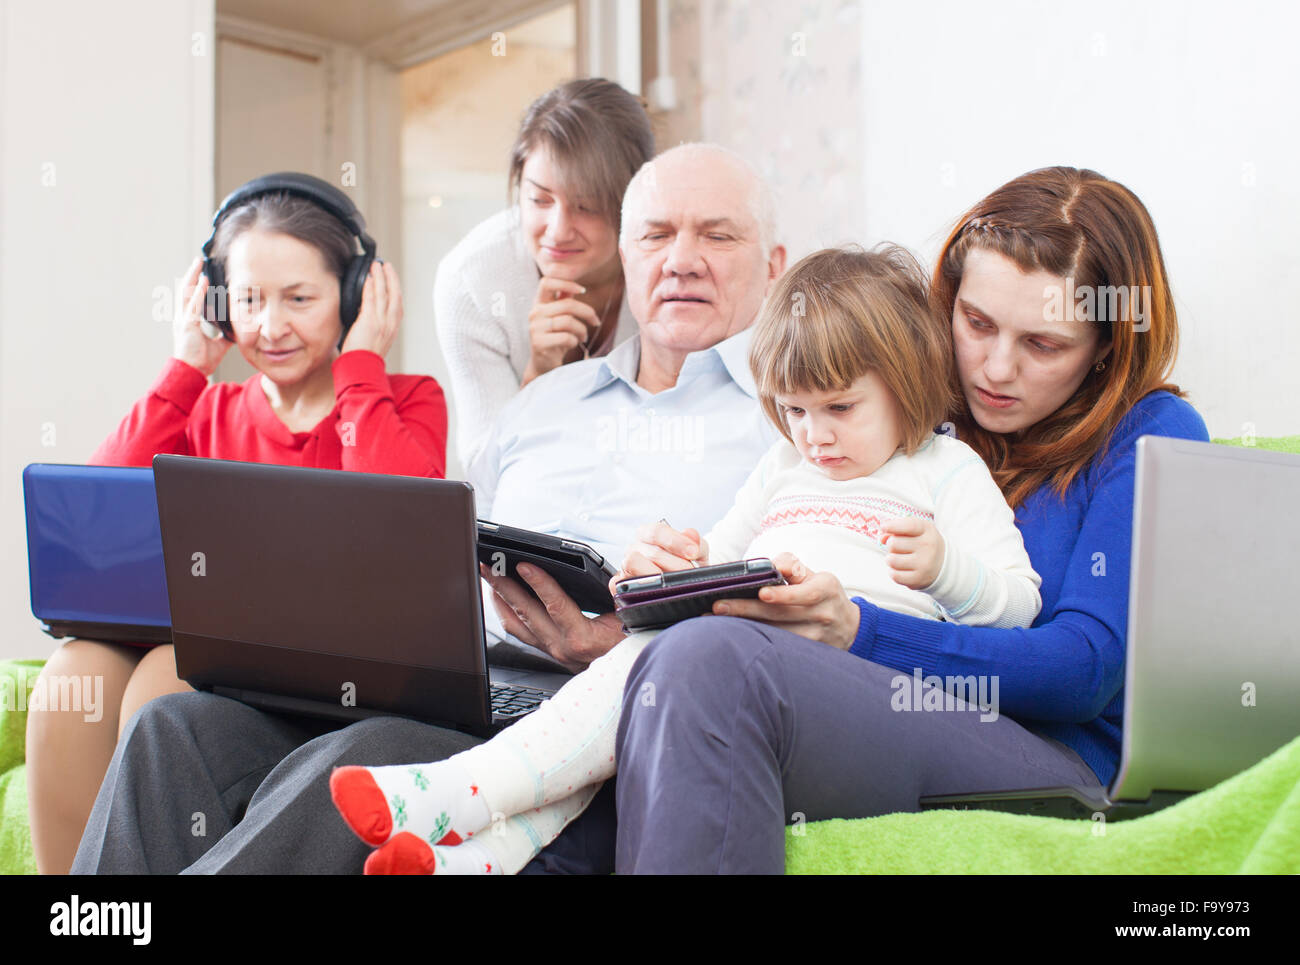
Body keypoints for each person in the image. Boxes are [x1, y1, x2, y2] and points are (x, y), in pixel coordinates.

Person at [70, 143, 788, 874]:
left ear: (775, 264)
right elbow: (435, 540)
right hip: (446, 679)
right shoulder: (542, 402)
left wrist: (615, 648)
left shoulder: (796, 422)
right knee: (172, 728)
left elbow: (812, 607)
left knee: (365, 759)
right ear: (629, 261)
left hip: (574, 715)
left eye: (718, 235)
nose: (682, 259)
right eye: (658, 236)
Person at [329, 243, 1050, 875]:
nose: (814, 435)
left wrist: (947, 571)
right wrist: (675, 565)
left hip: (846, 688)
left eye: (838, 408)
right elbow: (722, 555)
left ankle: (460, 788)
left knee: (660, 670)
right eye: (794, 410)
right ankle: (482, 854)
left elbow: (1020, 604)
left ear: (908, 382)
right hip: (738, 660)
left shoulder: (944, 469)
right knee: (636, 683)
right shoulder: (785, 466)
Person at [612, 166, 1212, 873]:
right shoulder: (902, 409)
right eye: (977, 322)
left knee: (709, 663)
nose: (994, 368)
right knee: (660, 688)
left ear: (1107, 344)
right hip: (885, 712)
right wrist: (677, 577)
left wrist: (861, 630)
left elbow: (1082, 670)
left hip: (1050, 759)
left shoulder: (1151, 431)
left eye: (1043, 344)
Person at [30, 174, 448, 875]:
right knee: (75, 675)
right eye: (249, 300)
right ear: (218, 304)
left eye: (301, 299)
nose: (270, 325)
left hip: (320, 682)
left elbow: (406, 527)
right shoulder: (206, 408)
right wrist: (186, 368)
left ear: (353, 296)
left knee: (165, 677)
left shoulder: (403, 401)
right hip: (199, 642)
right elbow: (93, 526)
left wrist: (361, 370)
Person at [435, 78, 655, 469]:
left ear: (633, 200)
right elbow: (484, 474)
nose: (557, 230)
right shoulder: (473, 280)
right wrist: (539, 373)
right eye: (538, 199)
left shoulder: (665, 266)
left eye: (586, 206)